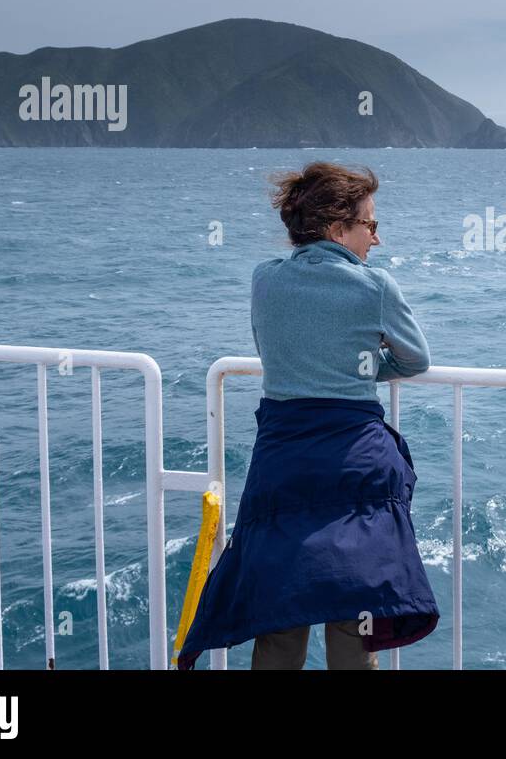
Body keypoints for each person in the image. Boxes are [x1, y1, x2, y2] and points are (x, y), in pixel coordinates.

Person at [178, 161, 438, 670]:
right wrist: (362, 367)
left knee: (279, 613)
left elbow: (275, 351)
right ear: (338, 228)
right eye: (370, 225)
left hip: (283, 460)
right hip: (353, 463)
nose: (376, 239)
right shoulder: (375, 286)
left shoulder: (265, 280)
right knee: (353, 616)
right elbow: (415, 360)